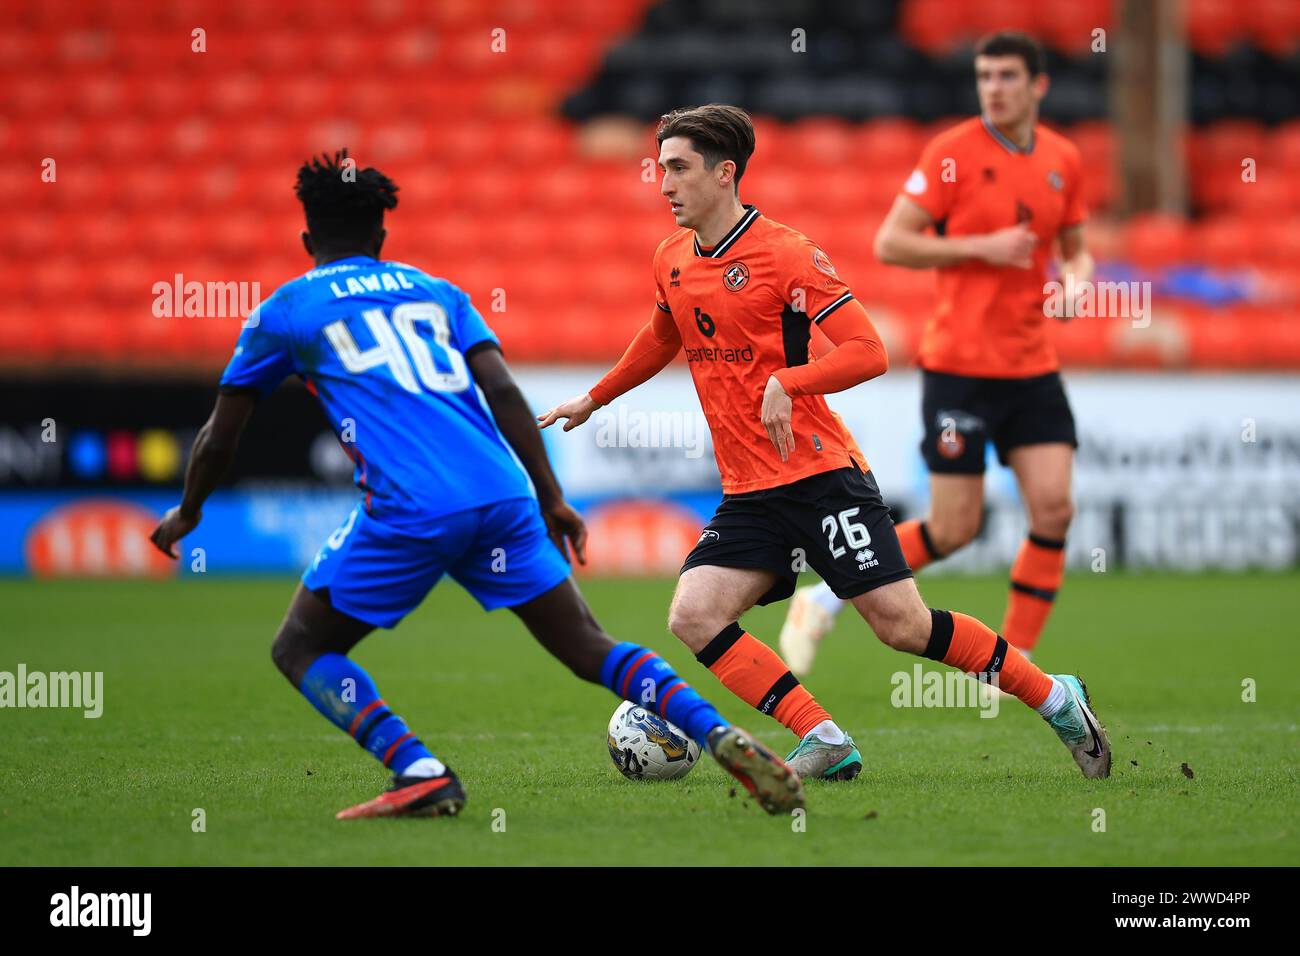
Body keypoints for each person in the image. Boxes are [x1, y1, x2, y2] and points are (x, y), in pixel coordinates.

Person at [148, 150, 805, 819]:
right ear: (381, 238)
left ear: (307, 241)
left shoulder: (284, 311)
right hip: (503, 494)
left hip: (409, 506)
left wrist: (186, 513)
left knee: (301, 645)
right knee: (589, 647)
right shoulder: (436, 292)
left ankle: (419, 769)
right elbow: (503, 391)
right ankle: (715, 729)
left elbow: (220, 437)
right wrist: (551, 496)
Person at [540, 105, 1110, 781]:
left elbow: (869, 352)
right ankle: (825, 737)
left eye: (677, 168)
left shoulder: (786, 254)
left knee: (902, 627)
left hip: (819, 475)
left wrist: (790, 379)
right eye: (660, 168)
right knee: (694, 615)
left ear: (724, 174)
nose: (663, 183)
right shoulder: (670, 258)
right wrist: (596, 397)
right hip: (750, 491)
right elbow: (663, 335)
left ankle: (1054, 696)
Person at [779, 31, 1095, 680]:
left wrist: (1077, 281)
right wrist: (978, 248)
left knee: (1056, 507)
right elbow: (892, 242)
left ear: (1038, 86)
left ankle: (1017, 663)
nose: (995, 88)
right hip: (960, 368)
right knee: (954, 529)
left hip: (1033, 366)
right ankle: (820, 599)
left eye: (1008, 76)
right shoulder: (952, 154)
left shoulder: (1064, 157)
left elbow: (1077, 247)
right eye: (985, 77)